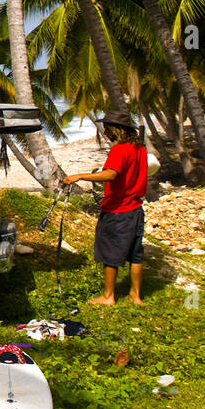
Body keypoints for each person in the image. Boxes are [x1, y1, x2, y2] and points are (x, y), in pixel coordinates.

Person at [63, 111, 148, 305]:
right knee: (136, 254)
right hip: (136, 208)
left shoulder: (119, 150)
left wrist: (80, 176)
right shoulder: (139, 148)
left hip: (118, 209)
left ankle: (108, 296)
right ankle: (135, 295)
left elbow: (111, 175)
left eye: (107, 127)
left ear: (114, 129)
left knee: (110, 254)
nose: (105, 131)